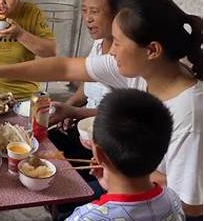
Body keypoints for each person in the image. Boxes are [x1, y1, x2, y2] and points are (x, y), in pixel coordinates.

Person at [0, 0, 203, 218]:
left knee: (67, 196)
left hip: (150, 204)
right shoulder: (144, 70)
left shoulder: (190, 116)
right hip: (128, 183)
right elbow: (64, 67)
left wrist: (122, 169)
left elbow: (190, 207)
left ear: (152, 50)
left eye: (117, 43)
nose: (112, 51)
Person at [66, 89, 184, 220]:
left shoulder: (84, 217)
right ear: (163, 151)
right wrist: (109, 184)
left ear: (98, 154)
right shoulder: (173, 200)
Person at [50, 0, 134, 127]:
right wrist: (70, 104)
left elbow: (123, 113)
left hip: (110, 135)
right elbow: (88, 85)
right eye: (84, 10)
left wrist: (73, 112)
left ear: (118, 13)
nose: (88, 18)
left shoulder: (128, 57)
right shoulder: (98, 44)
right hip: (85, 128)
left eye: (94, 11)